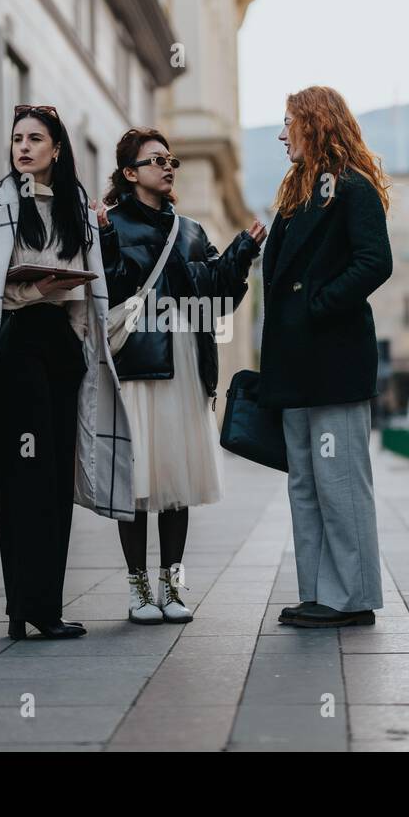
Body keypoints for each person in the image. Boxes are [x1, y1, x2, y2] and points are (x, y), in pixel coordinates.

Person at [0, 105, 136, 641]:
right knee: (23, 477)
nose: (24, 147)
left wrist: (82, 334)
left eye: (36, 138)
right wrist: (35, 289)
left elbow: (93, 281)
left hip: (64, 346)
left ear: (57, 149)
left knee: (57, 478)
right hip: (14, 347)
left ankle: (43, 606)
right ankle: (26, 607)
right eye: (17, 139)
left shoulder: (76, 204)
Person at [97, 128, 266, 623]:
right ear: (130, 174)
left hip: (187, 363)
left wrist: (241, 254)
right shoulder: (112, 225)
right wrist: (105, 238)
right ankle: (137, 589)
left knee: (176, 478)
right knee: (138, 479)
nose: (168, 167)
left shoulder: (189, 230)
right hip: (137, 364)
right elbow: (112, 289)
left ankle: (172, 587)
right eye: (155, 161)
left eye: (171, 160)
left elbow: (216, 297)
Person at [259, 86, 394, 628]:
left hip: (334, 360)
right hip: (295, 364)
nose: (281, 133)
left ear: (316, 123)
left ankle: (353, 597)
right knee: (306, 483)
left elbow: (374, 262)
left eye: (289, 122)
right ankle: (319, 591)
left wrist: (318, 304)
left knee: (340, 482)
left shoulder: (354, 188)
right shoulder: (297, 195)